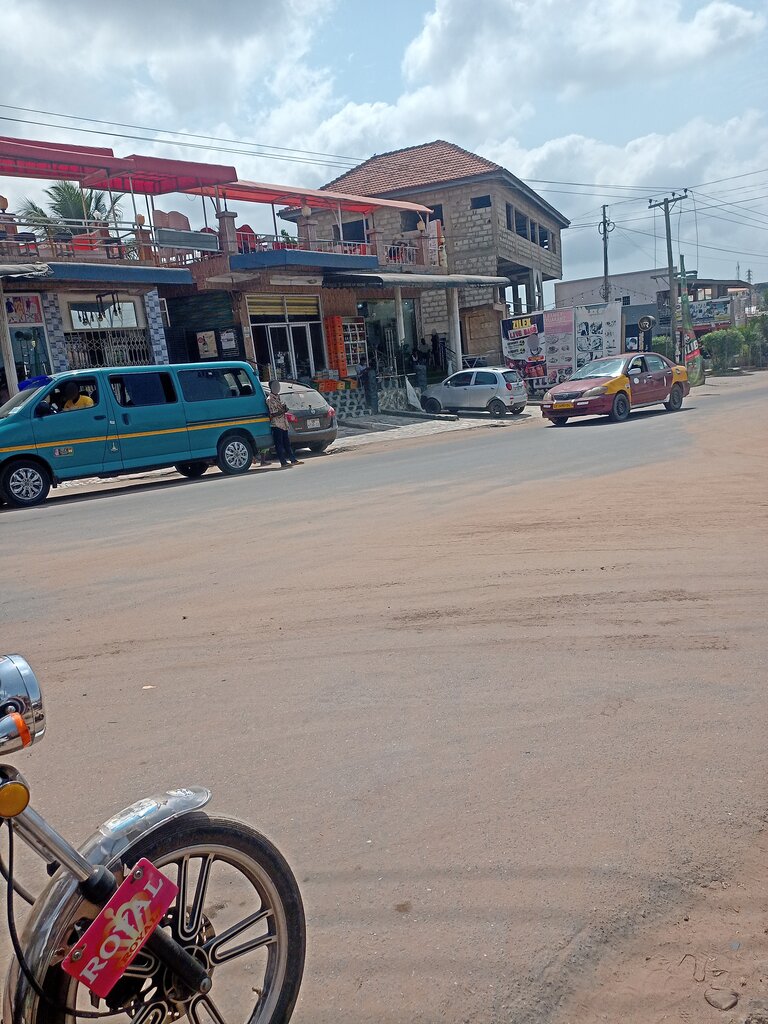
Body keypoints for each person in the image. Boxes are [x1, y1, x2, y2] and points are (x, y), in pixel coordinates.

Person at [266, 380, 302, 468]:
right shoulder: (270, 399)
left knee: (287, 443)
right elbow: (273, 413)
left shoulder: (278, 397)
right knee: (279, 444)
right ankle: (283, 462)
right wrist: (283, 410)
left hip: (283, 423)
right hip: (276, 424)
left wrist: (284, 409)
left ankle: (292, 459)